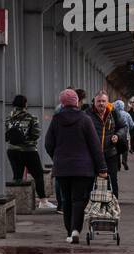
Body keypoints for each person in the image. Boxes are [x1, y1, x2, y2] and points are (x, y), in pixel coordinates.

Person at [45, 88, 105, 244]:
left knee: (65, 200)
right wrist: (102, 168)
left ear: (62, 103)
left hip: (63, 168)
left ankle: (68, 232)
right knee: (79, 199)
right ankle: (75, 229)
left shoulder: (56, 120)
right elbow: (95, 145)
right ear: (77, 102)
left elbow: (48, 143)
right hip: (83, 168)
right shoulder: (85, 119)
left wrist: (57, 157)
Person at [5, 94, 50, 208]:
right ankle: (43, 201)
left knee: (17, 176)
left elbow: (6, 135)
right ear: (25, 104)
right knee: (38, 175)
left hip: (12, 151)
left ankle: (18, 204)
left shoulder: (8, 118)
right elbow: (36, 134)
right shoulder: (31, 117)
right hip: (29, 151)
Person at [85, 93, 124, 200]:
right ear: (94, 102)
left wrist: (118, 135)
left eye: (103, 101)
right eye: (99, 101)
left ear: (107, 102)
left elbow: (123, 127)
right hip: (91, 154)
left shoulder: (113, 113)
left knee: (112, 180)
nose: (101, 103)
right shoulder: (87, 114)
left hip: (110, 153)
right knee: (90, 181)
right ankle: (90, 205)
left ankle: (113, 204)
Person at [112, 98, 134, 171]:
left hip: (116, 135)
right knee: (125, 149)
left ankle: (118, 165)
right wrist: (128, 130)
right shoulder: (127, 114)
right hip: (126, 135)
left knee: (117, 150)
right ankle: (124, 161)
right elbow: (132, 124)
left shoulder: (113, 114)